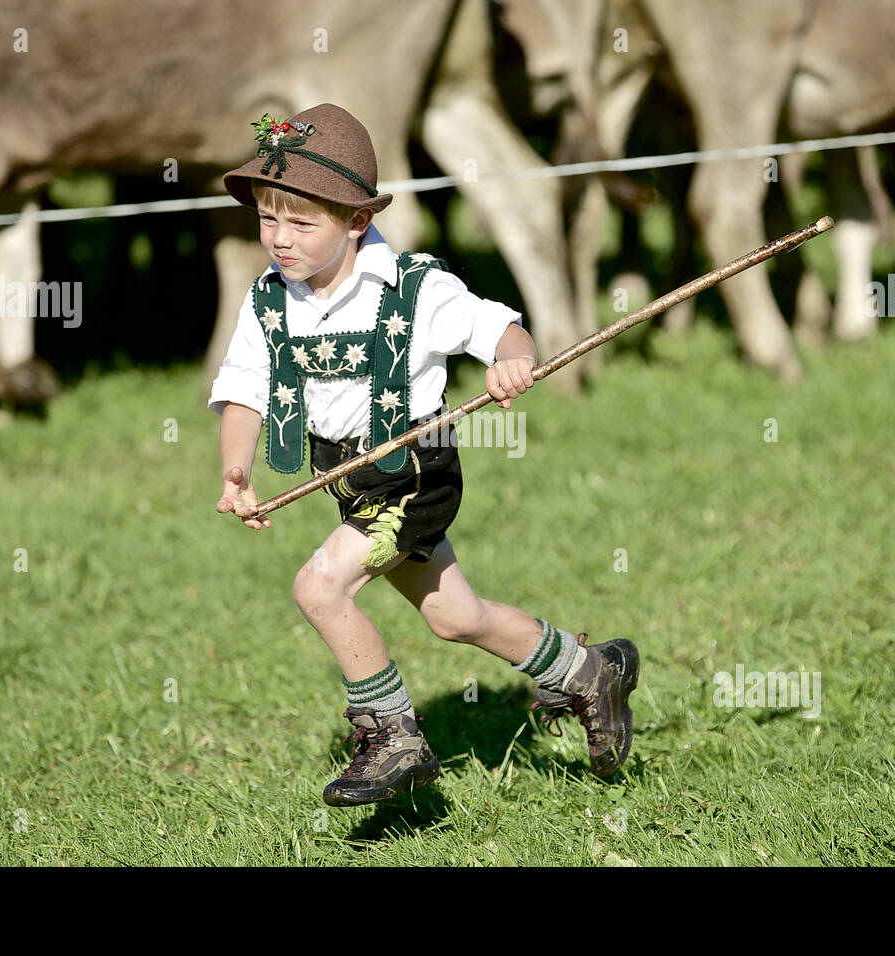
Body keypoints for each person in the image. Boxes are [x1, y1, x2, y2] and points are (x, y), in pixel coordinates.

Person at [208, 103, 639, 807]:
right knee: (454, 617)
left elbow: (501, 329)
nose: (278, 239)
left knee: (320, 586)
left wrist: (512, 362)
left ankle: (391, 736)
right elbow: (245, 391)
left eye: (300, 222)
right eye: (266, 218)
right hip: (348, 481)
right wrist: (236, 469)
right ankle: (589, 670)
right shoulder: (267, 301)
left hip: (413, 472)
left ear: (355, 221)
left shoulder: (415, 288)